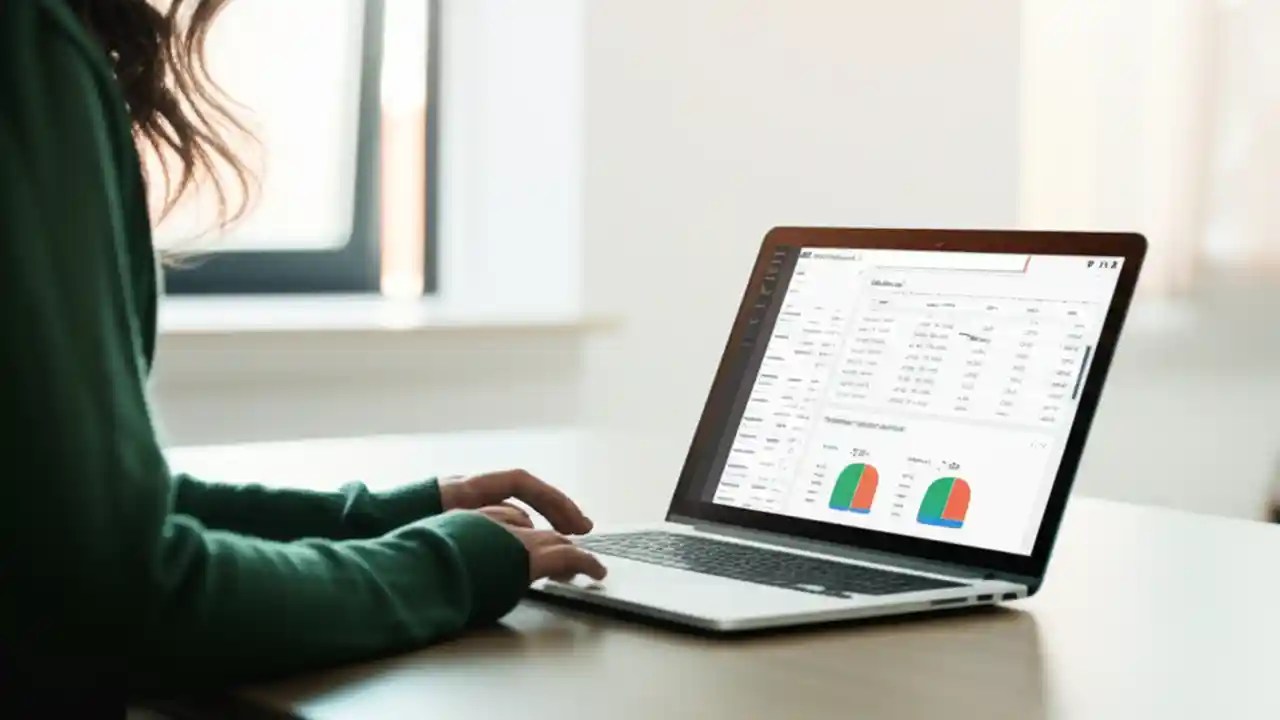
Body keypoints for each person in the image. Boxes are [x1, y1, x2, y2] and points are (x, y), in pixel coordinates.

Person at [0, 0, 606, 709]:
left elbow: (64, 516)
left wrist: (378, 518)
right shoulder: (27, 43)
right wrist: (443, 567)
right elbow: (116, 592)